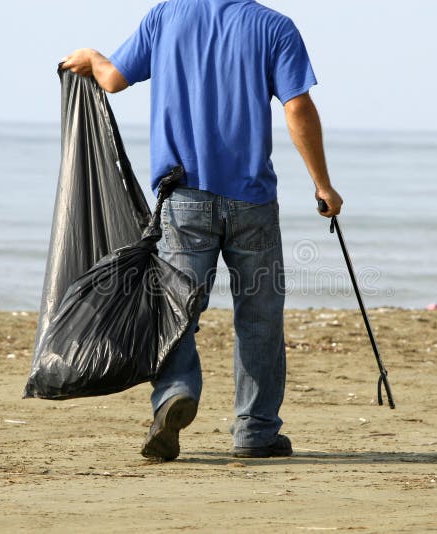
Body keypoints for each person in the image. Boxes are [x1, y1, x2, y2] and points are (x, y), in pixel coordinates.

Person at [61, 0, 342, 461]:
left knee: (177, 310)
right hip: (252, 199)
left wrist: (92, 57)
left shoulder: (166, 16)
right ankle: (255, 431)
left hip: (183, 195)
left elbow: (112, 80)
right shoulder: (274, 27)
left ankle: (174, 393)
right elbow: (298, 108)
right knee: (259, 317)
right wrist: (323, 185)